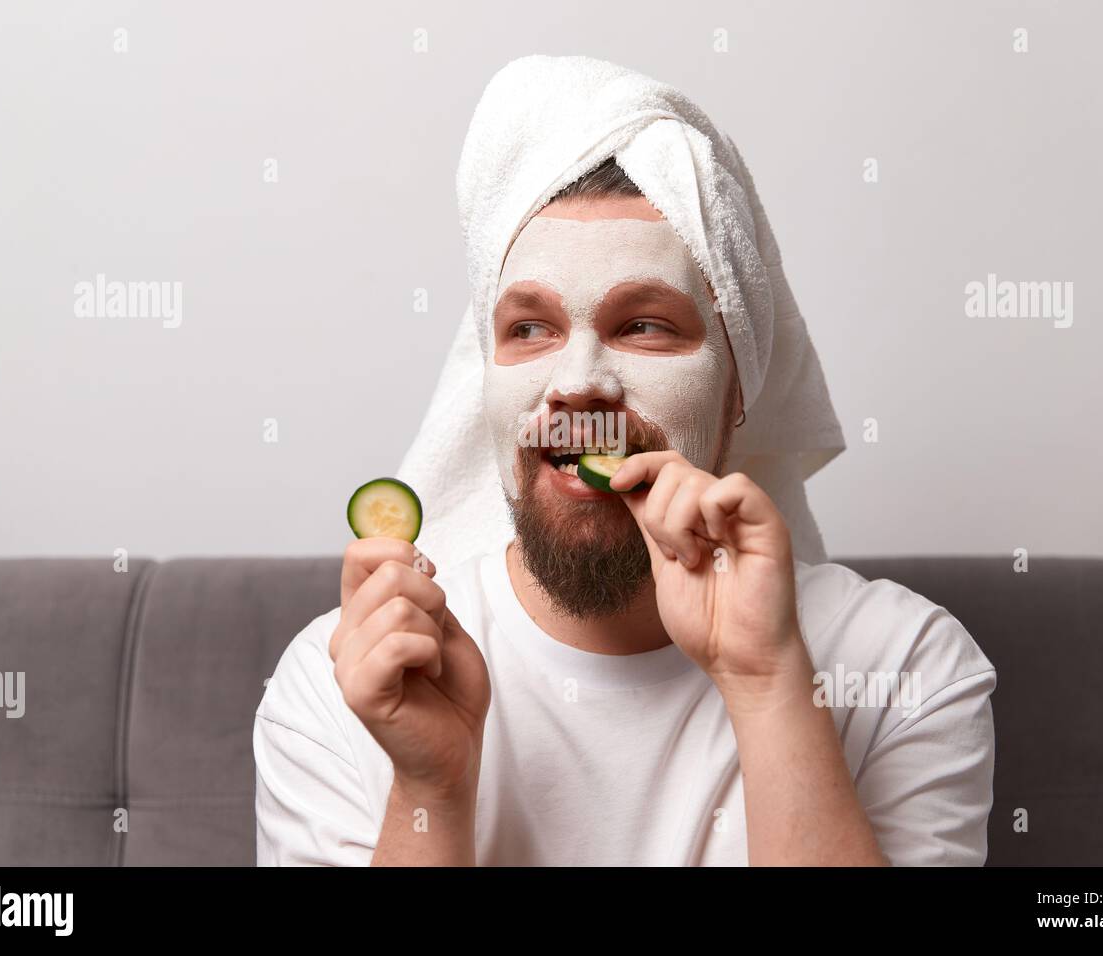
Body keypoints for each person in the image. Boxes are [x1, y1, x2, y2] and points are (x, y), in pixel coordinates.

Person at [254, 57, 996, 867]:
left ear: (737, 385)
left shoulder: (904, 666)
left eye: (643, 325)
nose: (575, 386)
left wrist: (768, 684)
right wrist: (430, 791)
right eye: (530, 329)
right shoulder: (345, 688)